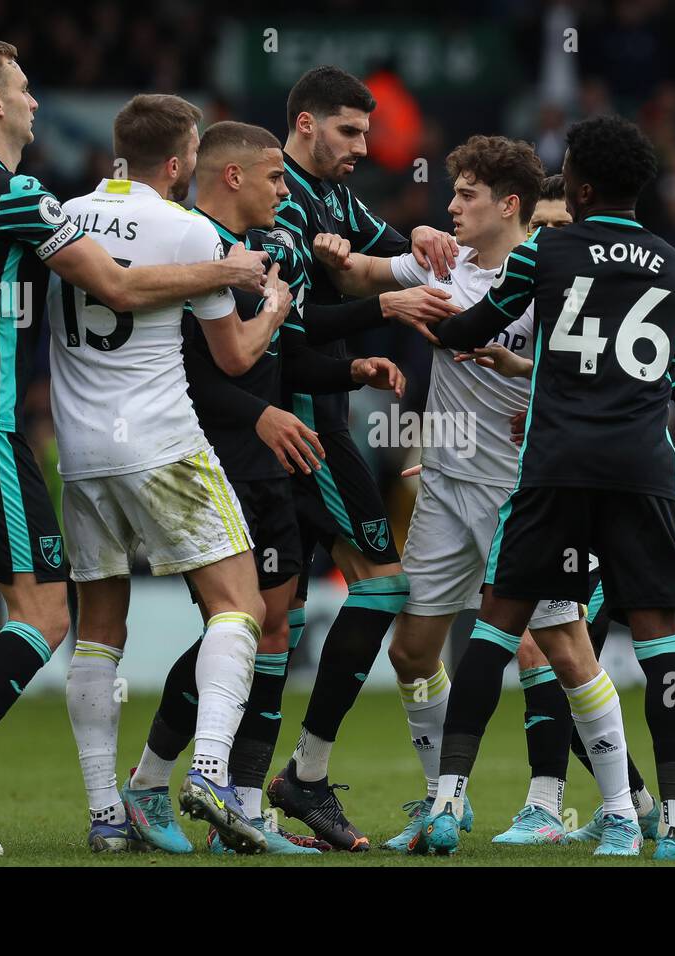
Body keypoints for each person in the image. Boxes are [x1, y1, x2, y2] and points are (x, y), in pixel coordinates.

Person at [0, 41, 269, 856]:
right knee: (44, 615)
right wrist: (224, 269)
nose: (33, 103)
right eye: (22, 91)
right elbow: (120, 286)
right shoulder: (14, 191)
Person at [416, 116, 675, 860]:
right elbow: (670, 375)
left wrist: (424, 316)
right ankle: (671, 827)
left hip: (555, 465)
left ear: (578, 187)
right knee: (660, 644)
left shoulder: (549, 248)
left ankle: (447, 805)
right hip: (642, 471)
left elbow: (478, 324)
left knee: (495, 628)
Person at [121, 119, 408, 855]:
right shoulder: (195, 252)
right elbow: (188, 379)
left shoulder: (252, 258)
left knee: (266, 627)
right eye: (277, 179)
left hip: (263, 462)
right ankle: (154, 781)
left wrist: (349, 370)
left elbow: (271, 364)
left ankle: (242, 809)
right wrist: (260, 415)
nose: (288, 193)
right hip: (214, 461)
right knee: (242, 621)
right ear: (234, 177)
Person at [53, 95, 297, 855]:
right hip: (162, 444)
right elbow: (234, 357)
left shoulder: (65, 214)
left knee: (99, 631)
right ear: (181, 158)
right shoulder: (191, 231)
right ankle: (213, 772)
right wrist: (278, 307)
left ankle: (104, 815)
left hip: (81, 452)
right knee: (241, 604)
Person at [260, 65, 460, 851]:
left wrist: (418, 244)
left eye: (367, 133)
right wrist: (386, 304)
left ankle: (213, 791)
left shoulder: (336, 199)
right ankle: (303, 775)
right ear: (305, 123)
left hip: (315, 413)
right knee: (380, 589)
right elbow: (295, 324)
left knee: (274, 619)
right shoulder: (285, 203)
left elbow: (385, 252)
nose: (363, 147)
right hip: (307, 425)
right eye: (349, 131)